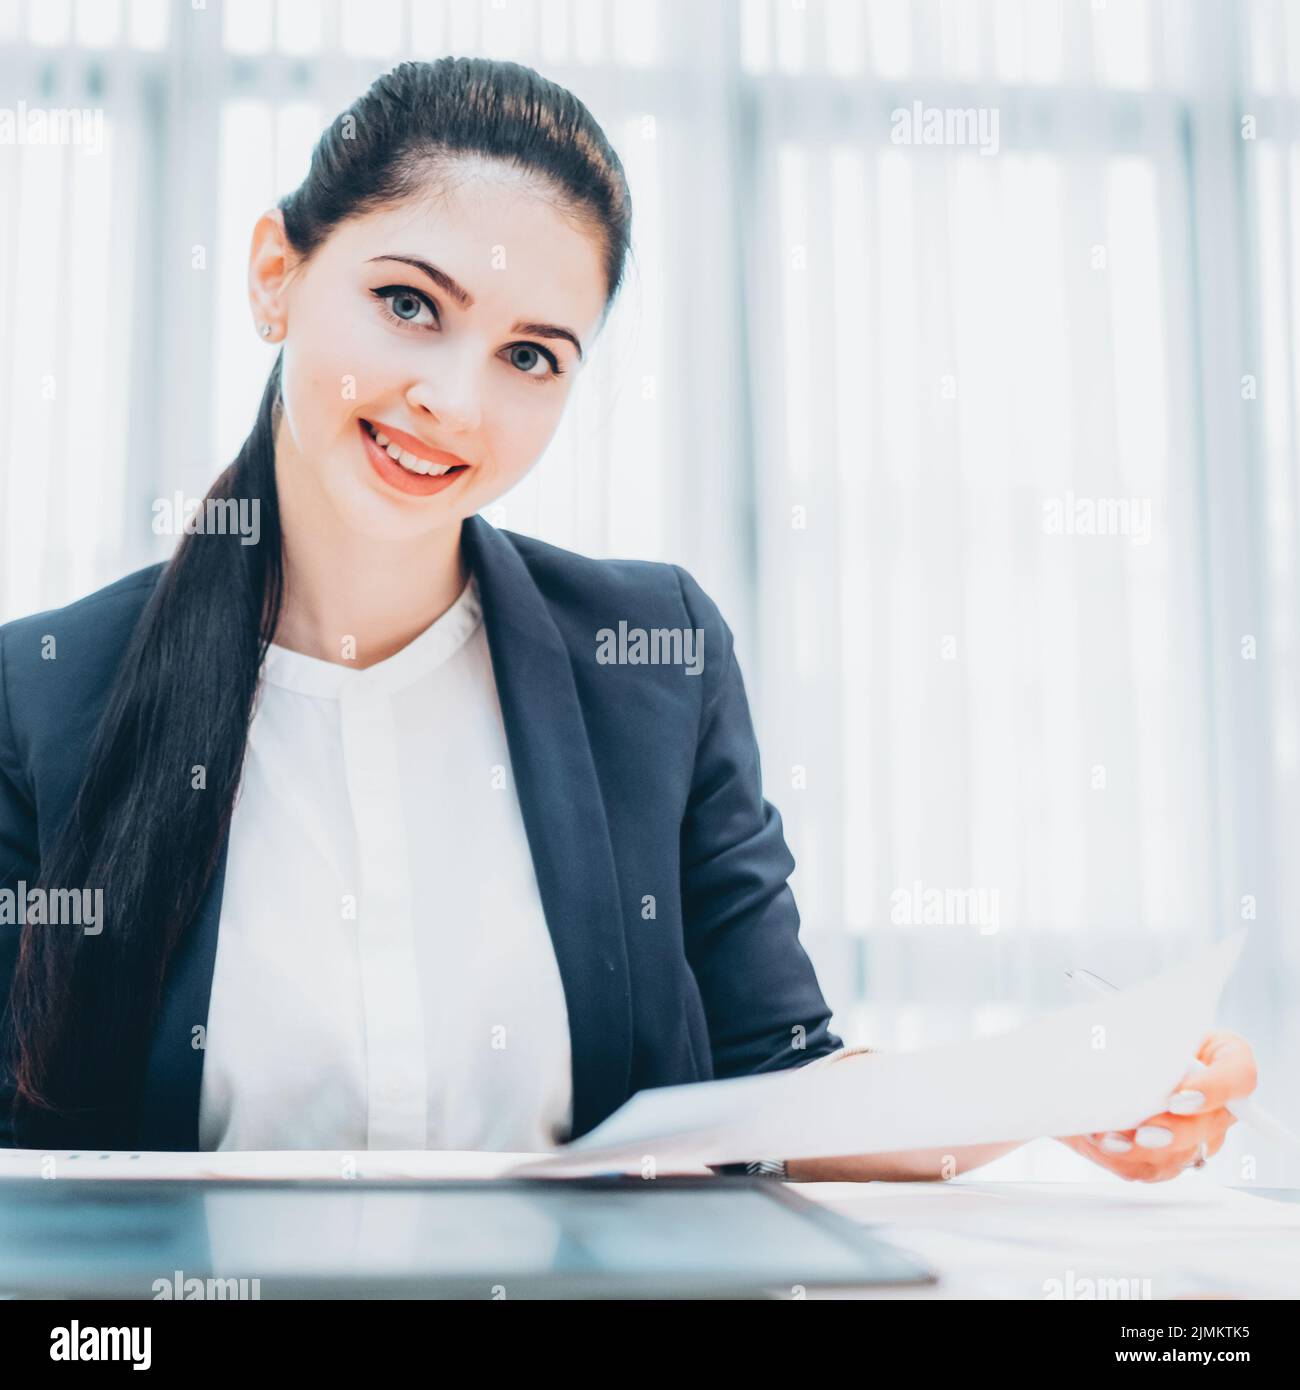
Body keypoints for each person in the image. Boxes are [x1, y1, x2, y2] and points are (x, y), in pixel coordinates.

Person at [0, 57, 1256, 1180]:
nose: (453, 399)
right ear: (277, 274)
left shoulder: (651, 660)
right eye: (408, 304)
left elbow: (777, 1088)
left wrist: (1059, 1092)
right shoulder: (45, 692)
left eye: (530, 356)